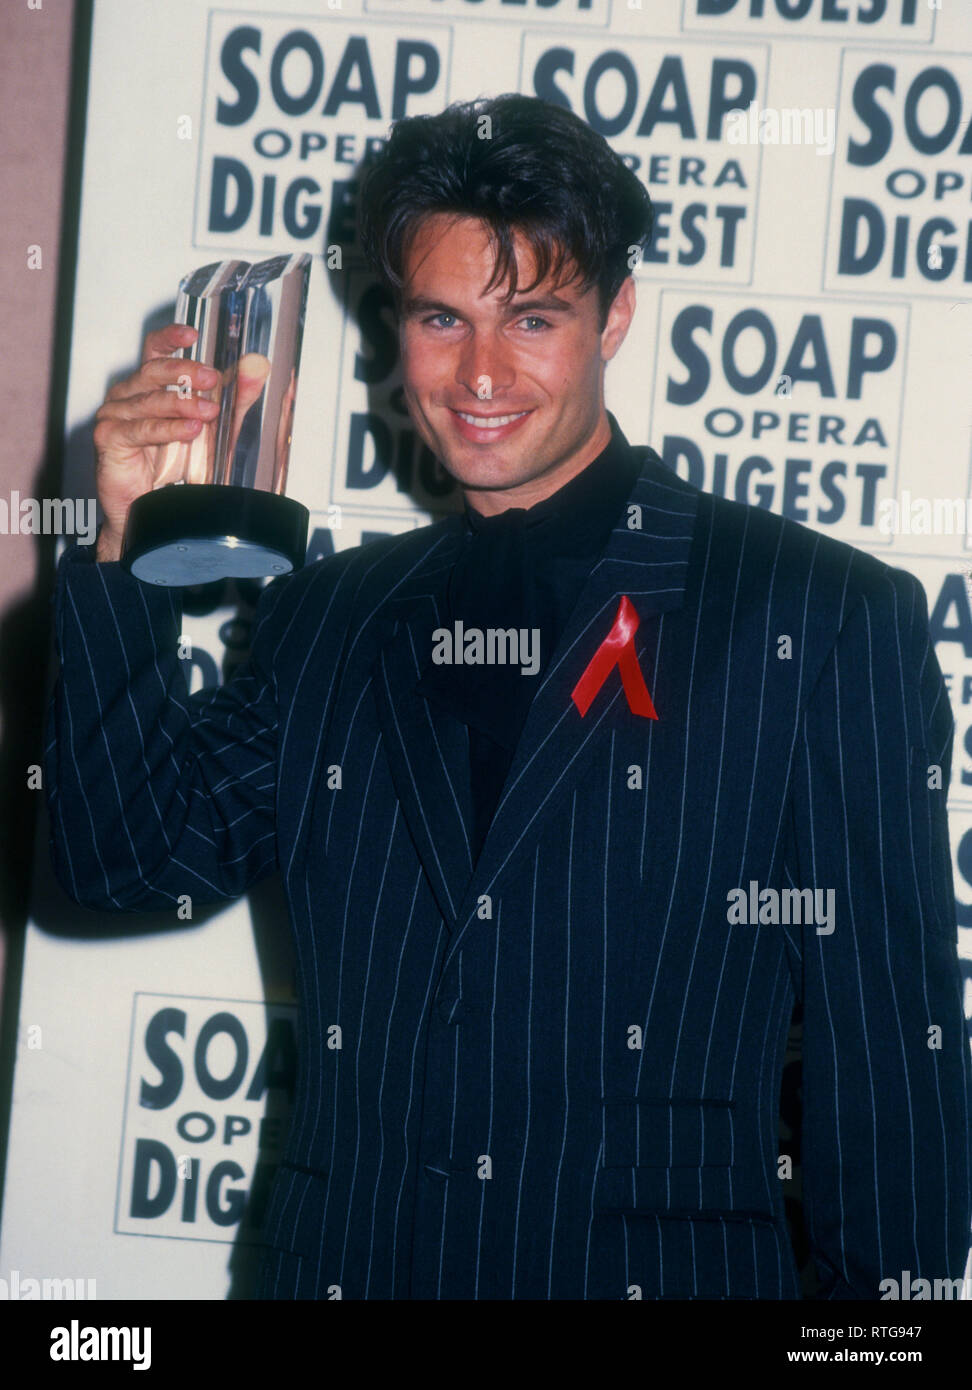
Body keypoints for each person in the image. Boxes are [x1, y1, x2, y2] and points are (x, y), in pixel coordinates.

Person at [45, 93, 971, 1300]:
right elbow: (122, 864)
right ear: (396, 328)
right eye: (442, 317)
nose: (481, 373)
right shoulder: (330, 618)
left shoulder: (817, 616)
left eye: (533, 318)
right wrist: (124, 548)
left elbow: (891, 1075)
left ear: (615, 316)